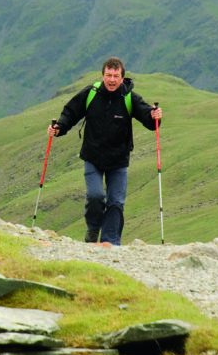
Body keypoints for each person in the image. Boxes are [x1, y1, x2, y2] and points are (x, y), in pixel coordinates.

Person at [47, 57, 162, 247]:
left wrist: (154, 116)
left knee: (116, 203)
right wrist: (59, 128)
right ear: (102, 75)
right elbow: (71, 112)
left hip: (118, 161)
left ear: (122, 78)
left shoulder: (129, 97)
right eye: (108, 75)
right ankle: (93, 228)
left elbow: (149, 119)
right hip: (92, 158)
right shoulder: (91, 94)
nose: (112, 79)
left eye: (116, 76)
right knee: (95, 196)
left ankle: (110, 245)